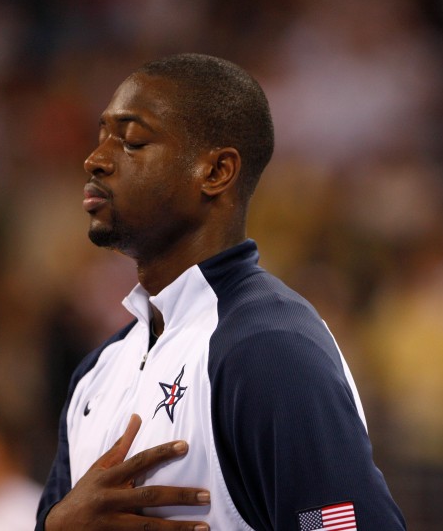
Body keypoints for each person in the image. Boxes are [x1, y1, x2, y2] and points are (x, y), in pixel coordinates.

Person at [35, 54, 405, 531]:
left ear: (215, 172)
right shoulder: (98, 370)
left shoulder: (268, 348)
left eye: (131, 141)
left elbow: (337, 526)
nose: (96, 160)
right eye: (100, 136)